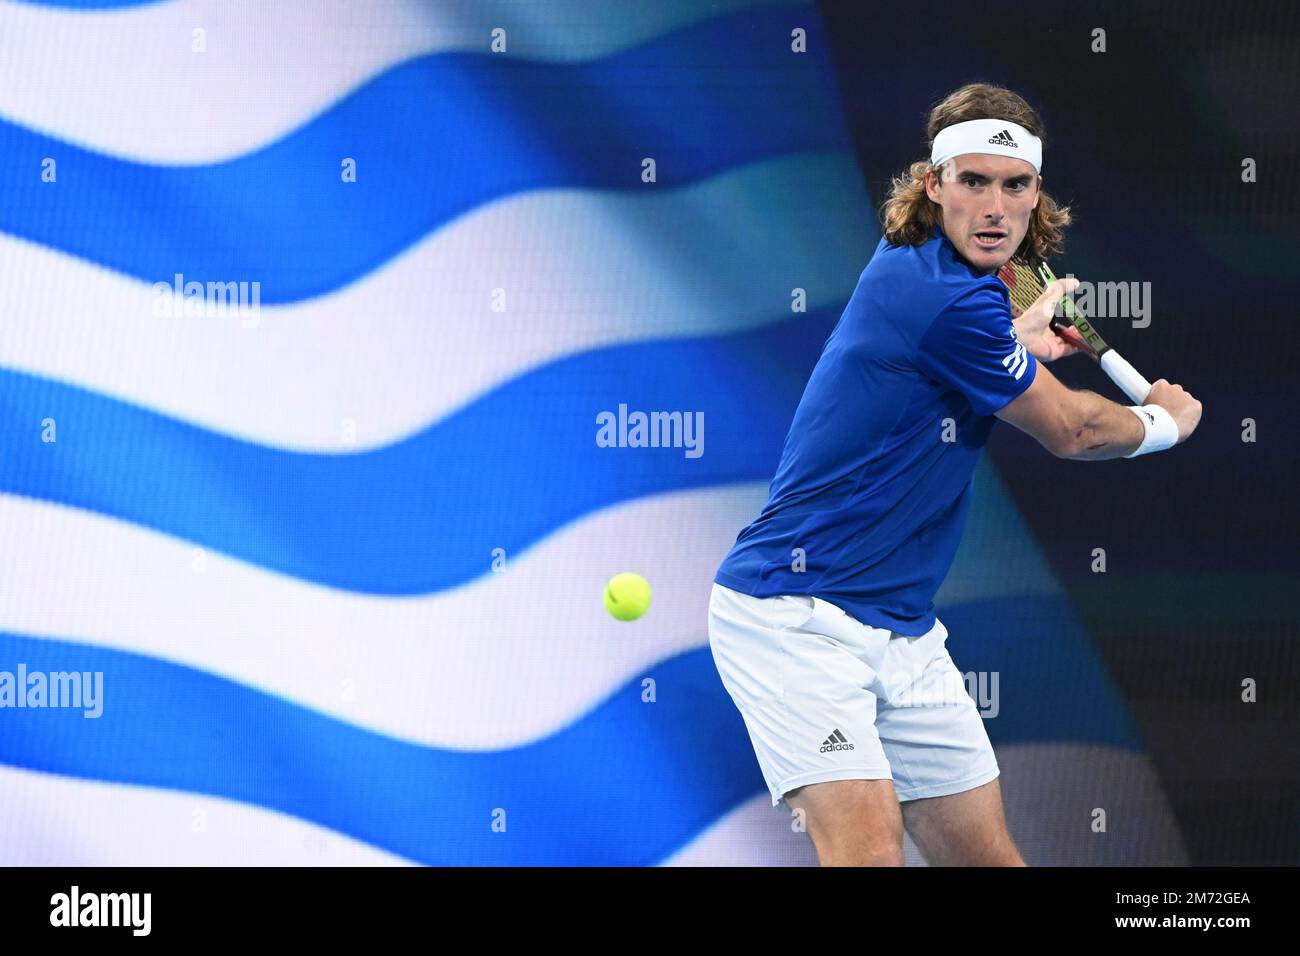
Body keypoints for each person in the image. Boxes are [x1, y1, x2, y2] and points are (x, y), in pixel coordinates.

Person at [707, 82, 1202, 866]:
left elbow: (954, 352)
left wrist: (1020, 336)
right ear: (932, 185)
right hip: (792, 616)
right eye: (972, 182)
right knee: (868, 852)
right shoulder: (945, 297)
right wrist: (1163, 424)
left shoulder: (925, 268)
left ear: (1037, 192)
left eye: (1015, 185)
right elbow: (1072, 430)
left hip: (902, 627)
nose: (995, 209)